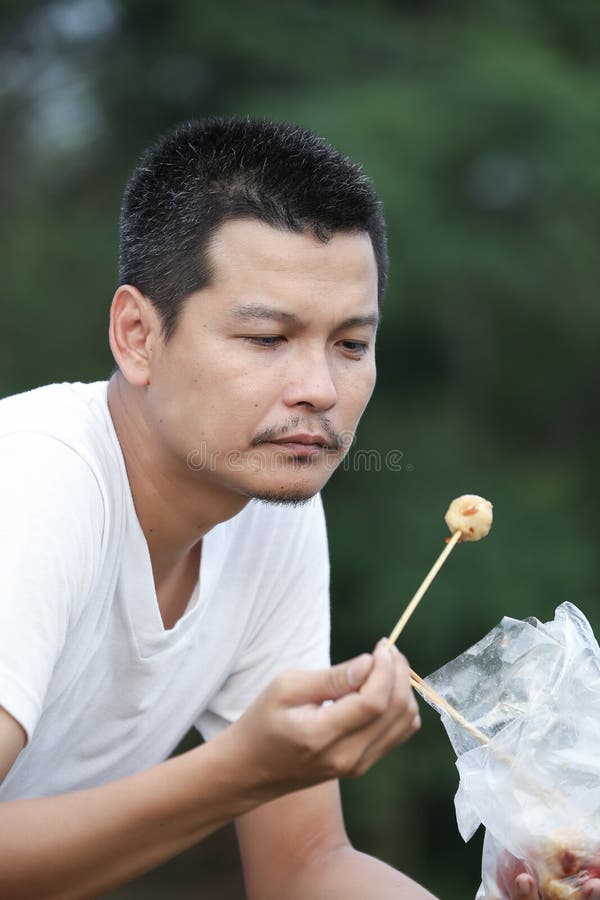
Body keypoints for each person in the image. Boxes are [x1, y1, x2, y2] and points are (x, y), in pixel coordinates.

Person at [0, 116, 592, 900]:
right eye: (267, 337)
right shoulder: (35, 484)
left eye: (350, 344)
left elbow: (305, 865)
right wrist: (239, 772)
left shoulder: (268, 513)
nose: (318, 388)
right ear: (138, 335)